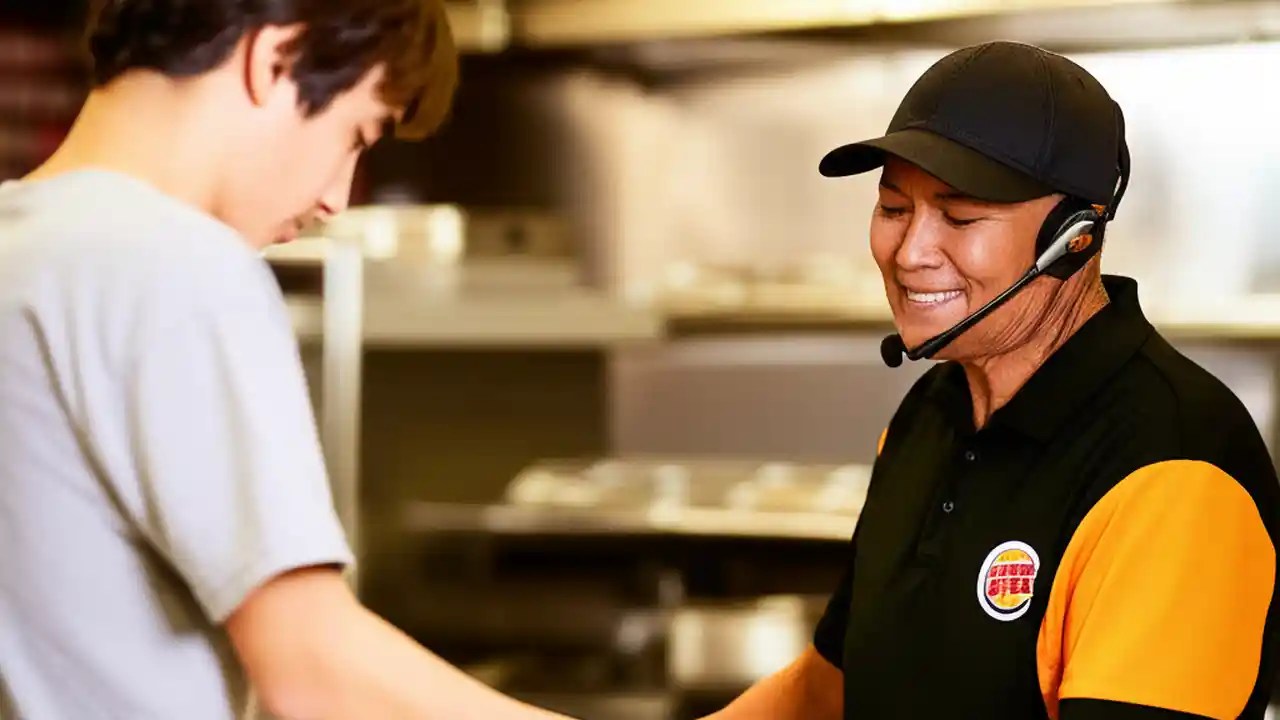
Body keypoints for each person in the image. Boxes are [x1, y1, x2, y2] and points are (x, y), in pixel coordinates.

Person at [0, 2, 576, 719]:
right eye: (355, 134)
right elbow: (313, 672)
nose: (337, 197)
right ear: (274, 61)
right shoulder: (178, 267)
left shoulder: (21, 252)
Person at [704, 40, 1280, 720]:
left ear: (1075, 237)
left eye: (961, 217)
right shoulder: (929, 415)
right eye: (894, 209)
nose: (911, 252)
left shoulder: (1175, 467)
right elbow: (828, 691)